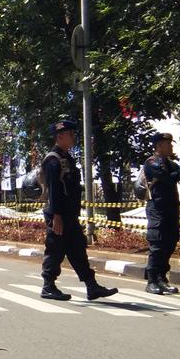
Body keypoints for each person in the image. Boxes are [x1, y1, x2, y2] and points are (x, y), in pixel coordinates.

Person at [39, 119, 118, 301]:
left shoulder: (68, 159)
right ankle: (48, 286)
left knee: (77, 249)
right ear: (60, 137)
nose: (74, 137)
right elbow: (54, 190)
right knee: (55, 250)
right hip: (58, 215)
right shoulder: (53, 160)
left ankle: (92, 286)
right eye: (71, 134)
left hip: (70, 214)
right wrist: (57, 216)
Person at [142, 133, 180, 294]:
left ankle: (162, 278)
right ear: (158, 146)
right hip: (157, 209)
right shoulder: (151, 163)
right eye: (167, 144)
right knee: (157, 244)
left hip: (171, 209)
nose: (171, 147)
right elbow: (168, 179)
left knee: (170, 242)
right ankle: (151, 280)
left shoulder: (170, 163)